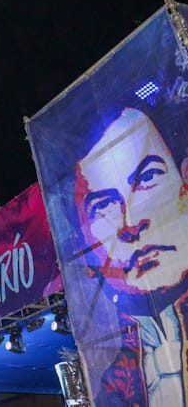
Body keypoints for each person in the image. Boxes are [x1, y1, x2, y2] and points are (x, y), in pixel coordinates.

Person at [72, 107, 188, 405]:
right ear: (85, 247)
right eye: (104, 207)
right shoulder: (114, 384)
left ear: (184, 182)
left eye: (148, 177)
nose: (131, 223)